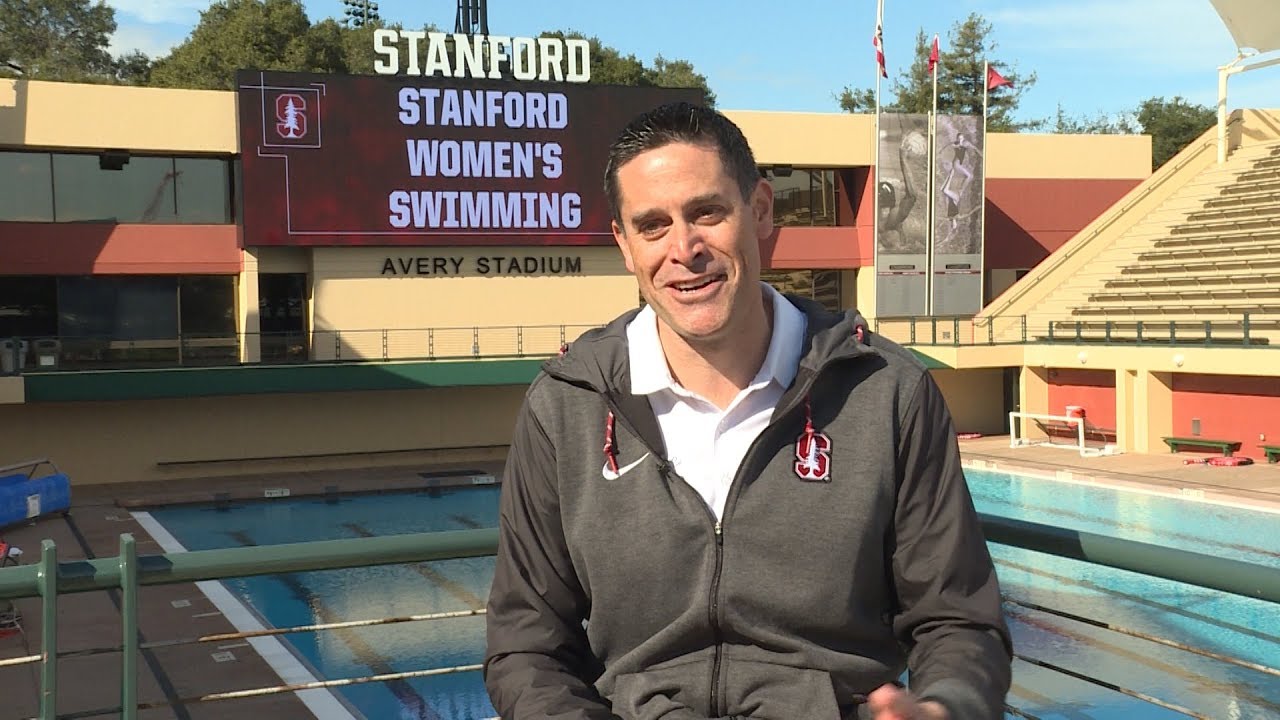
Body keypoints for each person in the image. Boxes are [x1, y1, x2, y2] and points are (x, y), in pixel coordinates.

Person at [484, 101, 1012, 720]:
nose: (684, 249)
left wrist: (945, 707)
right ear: (625, 247)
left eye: (707, 213)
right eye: (652, 226)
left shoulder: (886, 392)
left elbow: (960, 622)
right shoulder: (567, 404)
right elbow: (526, 647)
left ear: (760, 210)